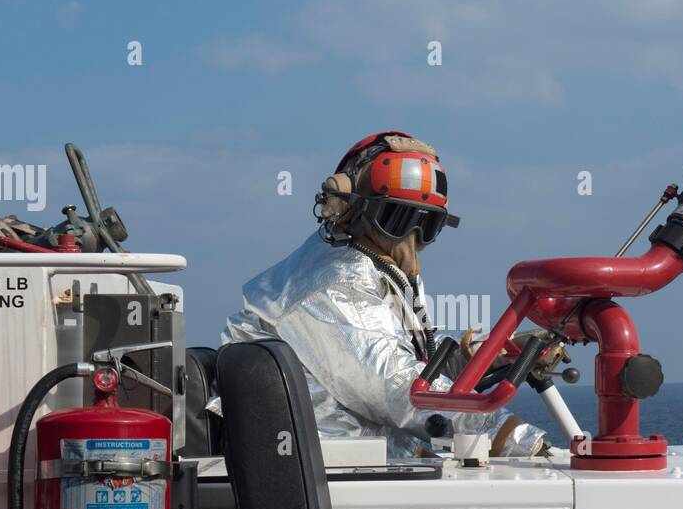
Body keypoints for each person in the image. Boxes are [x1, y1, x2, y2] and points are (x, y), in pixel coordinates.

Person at [221, 131, 548, 458]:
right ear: (350, 208)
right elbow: (396, 385)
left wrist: (477, 356)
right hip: (315, 472)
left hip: (362, 459)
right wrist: (510, 435)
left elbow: (403, 356)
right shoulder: (334, 284)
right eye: (397, 219)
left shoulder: (374, 262)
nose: (410, 237)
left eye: (427, 224)